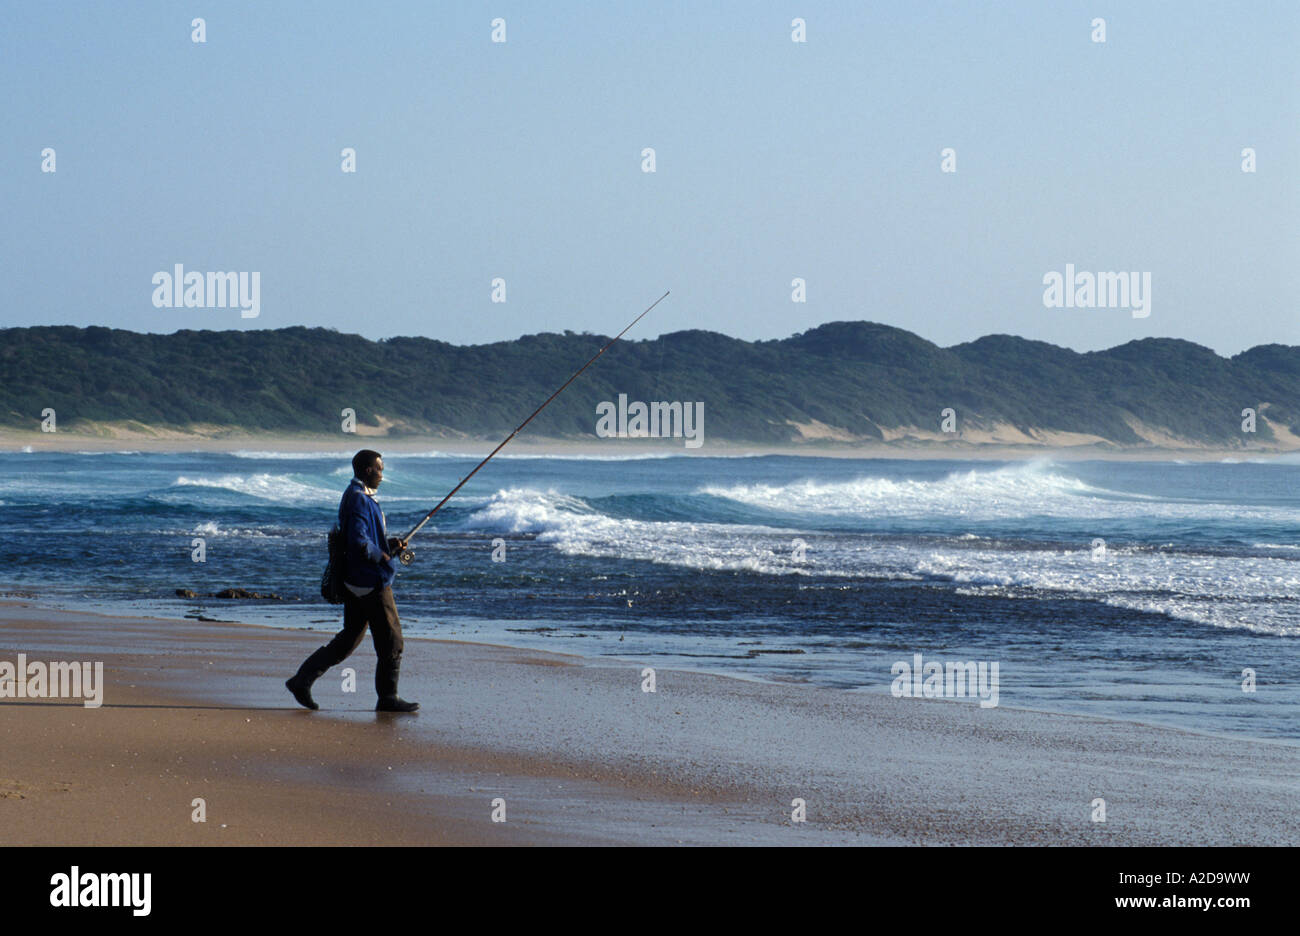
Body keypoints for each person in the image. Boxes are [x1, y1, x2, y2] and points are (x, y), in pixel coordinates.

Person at [286, 450, 419, 713]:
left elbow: (361, 538)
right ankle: (388, 698)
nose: (382, 475)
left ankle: (302, 680)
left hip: (354, 581)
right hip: (370, 582)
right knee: (392, 641)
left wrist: (387, 545)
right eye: (380, 470)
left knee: (348, 639)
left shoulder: (356, 496)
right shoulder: (359, 499)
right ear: (368, 470)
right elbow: (358, 541)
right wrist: (382, 555)